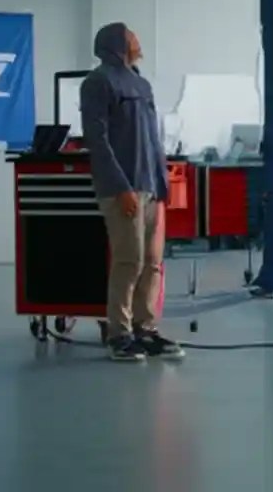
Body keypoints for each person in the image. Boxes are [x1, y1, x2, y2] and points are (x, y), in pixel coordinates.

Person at [80, 23, 183, 362]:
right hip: (122, 188)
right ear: (118, 43)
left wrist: (162, 185)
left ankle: (146, 329)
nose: (139, 42)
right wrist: (121, 187)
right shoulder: (97, 83)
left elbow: (152, 139)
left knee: (153, 263)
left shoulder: (141, 83)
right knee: (128, 261)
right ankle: (119, 334)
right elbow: (98, 140)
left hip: (151, 188)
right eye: (133, 37)